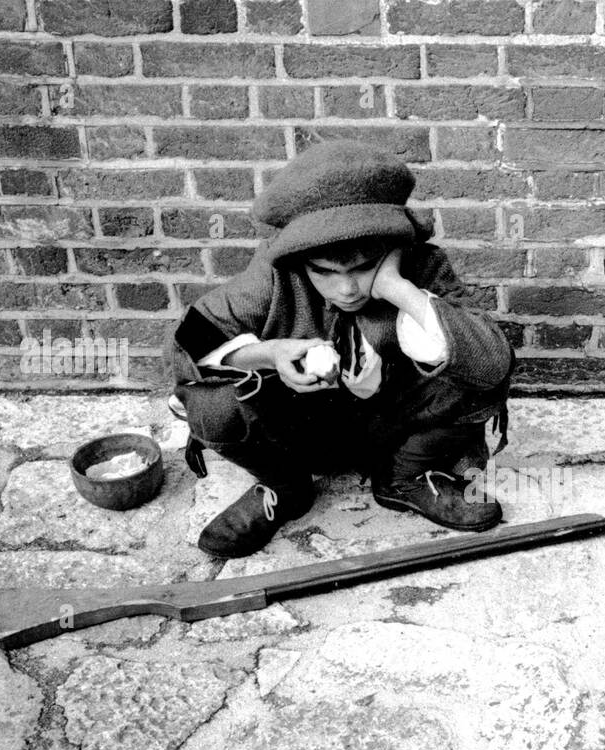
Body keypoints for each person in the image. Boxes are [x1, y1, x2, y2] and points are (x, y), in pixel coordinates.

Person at [166, 140, 513, 558]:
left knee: (474, 368)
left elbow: (493, 361)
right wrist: (272, 352)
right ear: (300, 261)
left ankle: (406, 479)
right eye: (325, 273)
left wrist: (398, 288)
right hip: (308, 427)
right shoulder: (274, 275)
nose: (347, 289)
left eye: (364, 268)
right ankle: (285, 489)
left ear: (394, 249)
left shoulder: (422, 266)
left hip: (397, 424)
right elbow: (189, 341)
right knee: (210, 405)